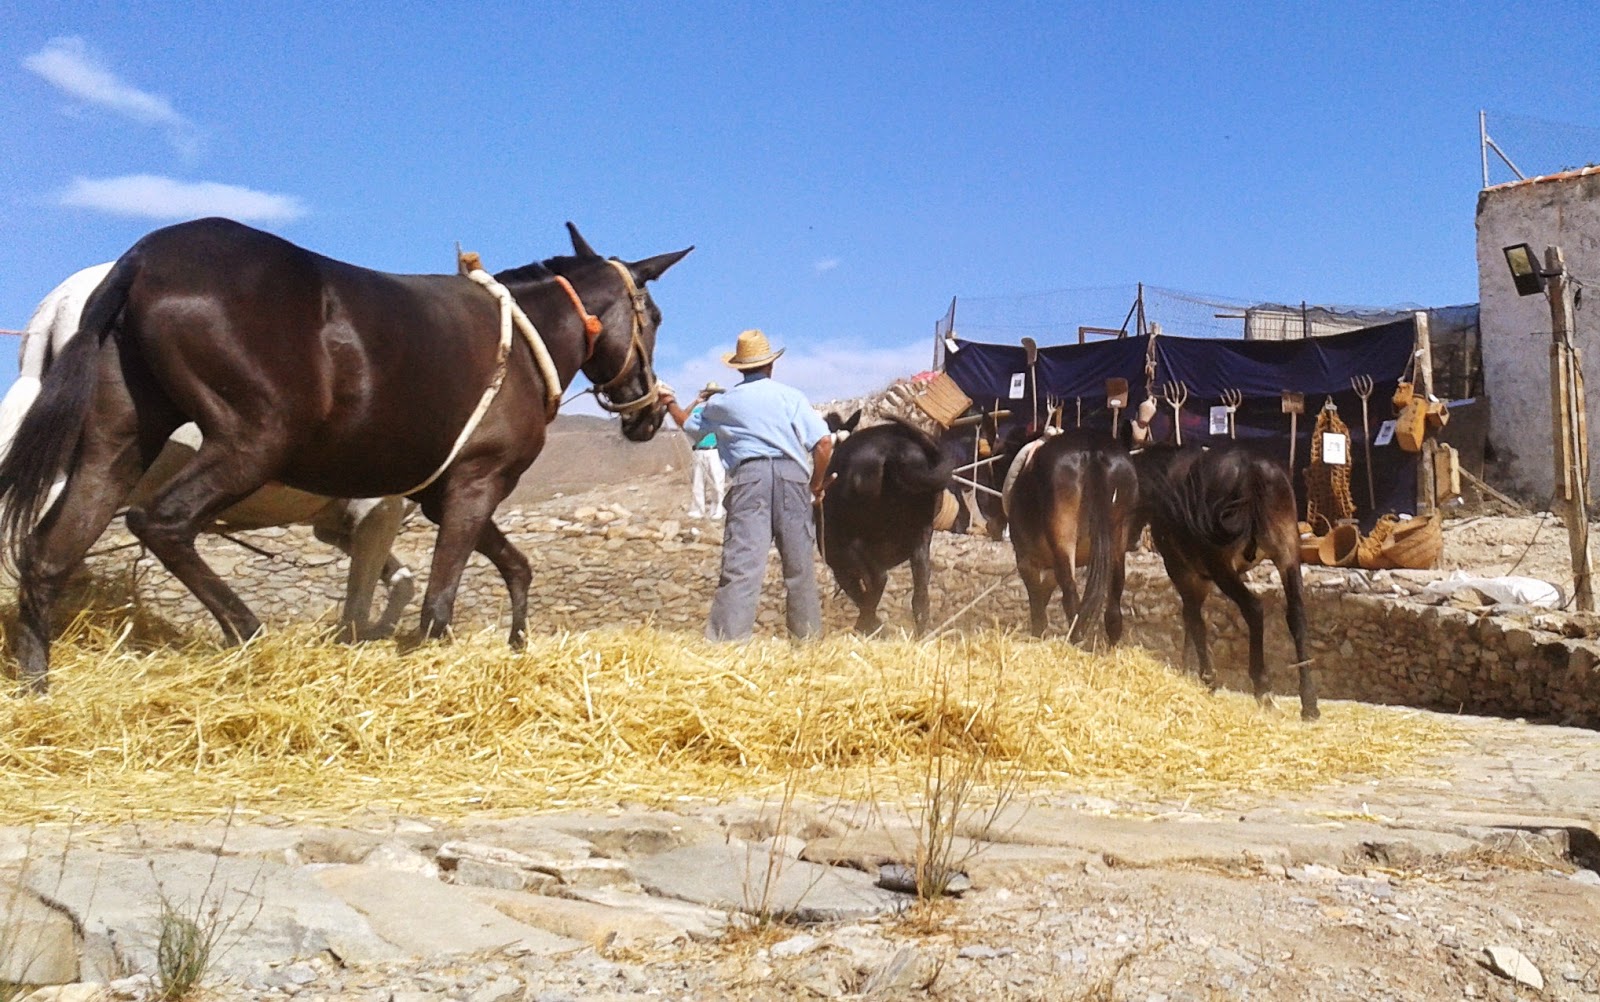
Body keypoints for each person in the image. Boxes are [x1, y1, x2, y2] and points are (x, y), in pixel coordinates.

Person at [661, 329, 833, 641]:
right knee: (799, 569)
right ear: (771, 366)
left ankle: (728, 646)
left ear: (739, 368)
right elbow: (823, 443)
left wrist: (669, 401)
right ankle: (807, 646)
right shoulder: (791, 397)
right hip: (792, 477)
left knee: (742, 568)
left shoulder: (724, 403)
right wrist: (815, 485)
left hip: (749, 478)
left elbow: (688, 424)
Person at [683, 382, 726, 519]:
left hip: (715, 450)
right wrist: (696, 402)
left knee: (717, 481)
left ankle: (718, 509)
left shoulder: (720, 410)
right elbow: (684, 416)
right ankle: (697, 510)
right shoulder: (698, 410)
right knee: (698, 481)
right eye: (709, 393)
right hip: (699, 449)